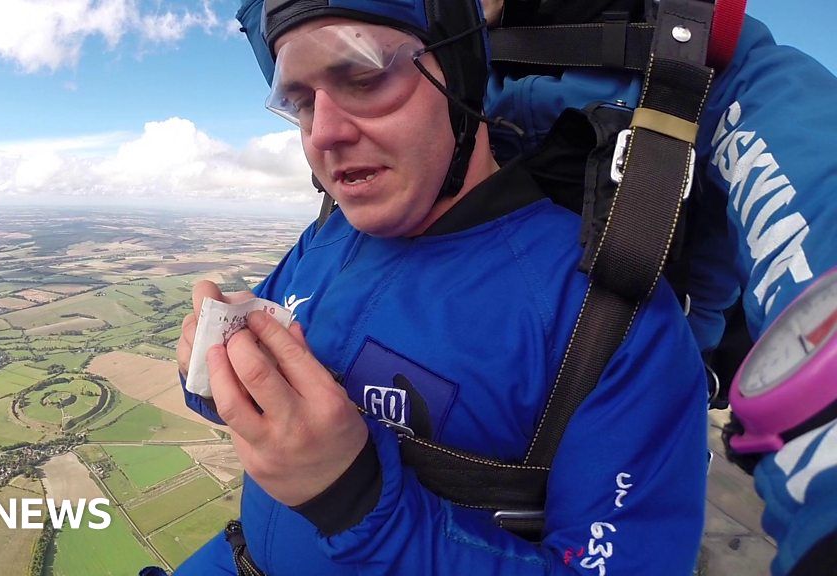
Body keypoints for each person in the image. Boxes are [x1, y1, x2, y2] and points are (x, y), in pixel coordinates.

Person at [230, 2, 837, 575]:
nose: (324, 133)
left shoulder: (607, 319)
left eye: (363, 77)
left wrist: (351, 499)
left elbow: (815, 192)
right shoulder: (331, 237)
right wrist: (220, 362)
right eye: (301, 103)